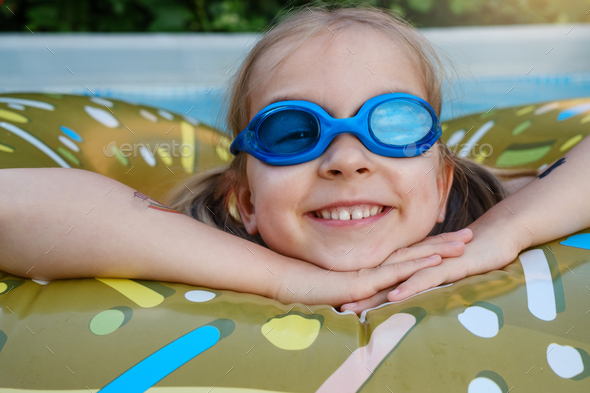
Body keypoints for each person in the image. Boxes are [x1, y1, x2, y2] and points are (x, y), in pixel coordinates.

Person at [1, 4, 588, 315]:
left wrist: (510, 227)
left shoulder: (487, 222)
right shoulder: (208, 235)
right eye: (290, 132)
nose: (345, 159)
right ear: (246, 201)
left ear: (440, 187)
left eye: (393, 122)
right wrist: (288, 281)